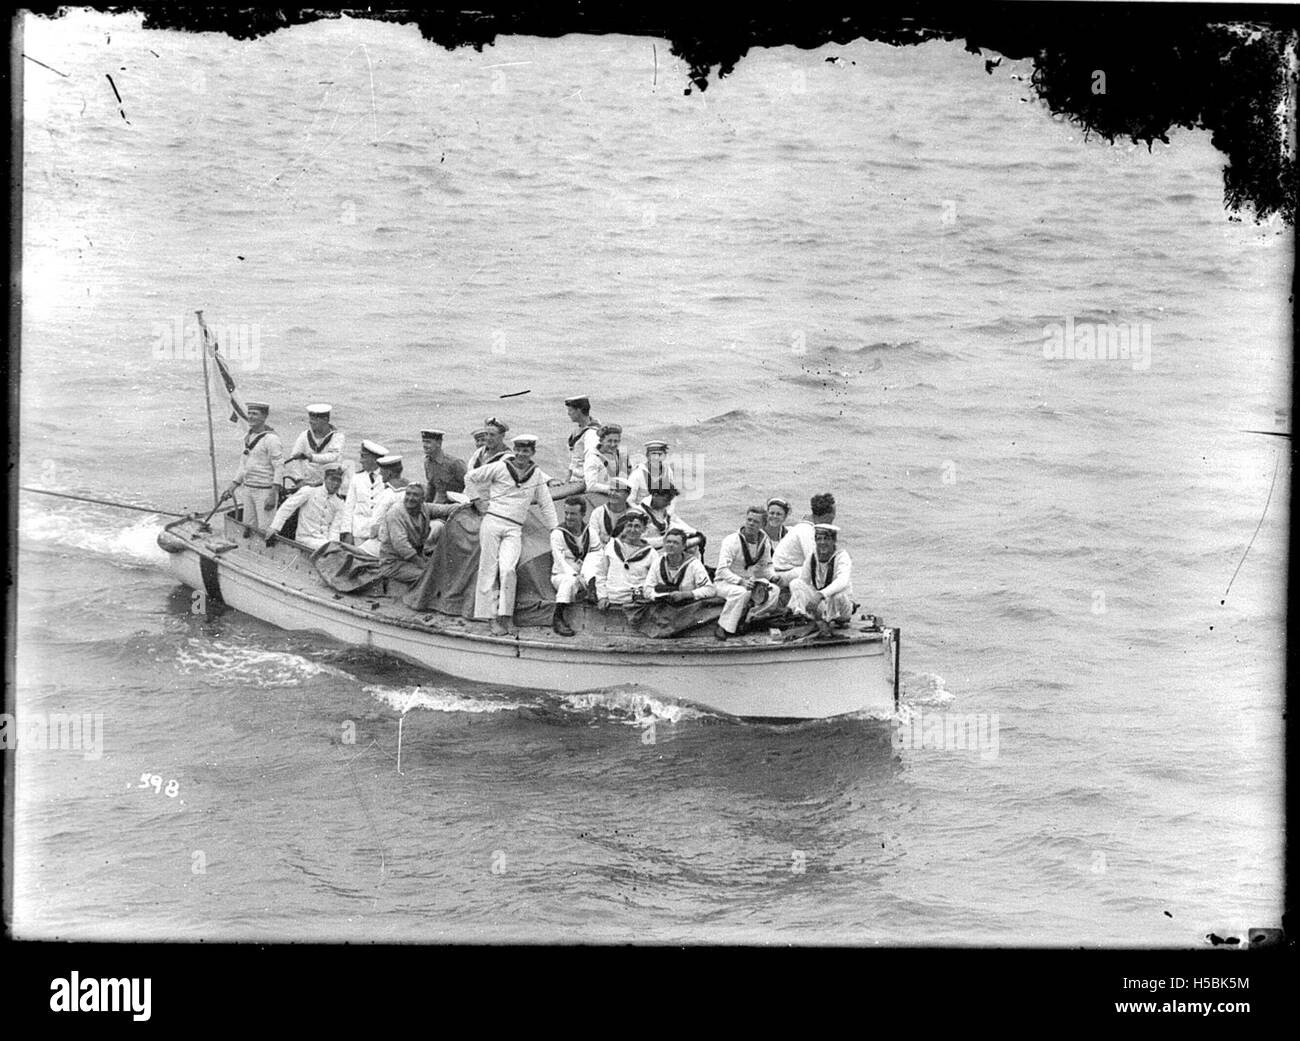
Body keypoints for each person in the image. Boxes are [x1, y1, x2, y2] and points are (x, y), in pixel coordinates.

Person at [465, 433, 559, 635]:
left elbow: (546, 504)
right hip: (492, 522)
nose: (520, 454)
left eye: (525, 451)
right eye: (518, 450)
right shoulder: (500, 466)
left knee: (508, 570)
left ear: (532, 452)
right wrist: (477, 501)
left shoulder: (536, 475)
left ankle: (505, 616)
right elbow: (470, 477)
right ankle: (490, 617)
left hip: (514, 528)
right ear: (513, 450)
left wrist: (555, 530)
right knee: (488, 569)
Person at [713, 505, 780, 640]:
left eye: (756, 522)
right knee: (741, 592)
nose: (751, 524)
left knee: (775, 590)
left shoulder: (764, 542)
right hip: (726, 582)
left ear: (762, 525)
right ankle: (723, 626)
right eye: (749, 520)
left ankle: (749, 618)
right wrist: (740, 581)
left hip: (749, 581)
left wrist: (773, 576)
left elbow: (765, 565)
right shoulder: (731, 540)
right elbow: (721, 570)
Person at [224, 400, 284, 531]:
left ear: (264, 417)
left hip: (265, 491)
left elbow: (279, 468)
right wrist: (233, 486)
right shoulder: (248, 436)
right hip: (248, 488)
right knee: (248, 527)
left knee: (264, 529)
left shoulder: (271, 439)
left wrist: (273, 494)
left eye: (255, 414)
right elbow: (243, 465)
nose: (250, 417)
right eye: (249, 413)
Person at [266, 465, 347, 550]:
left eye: (338, 481)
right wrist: (275, 527)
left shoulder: (339, 502)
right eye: (332, 479)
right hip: (305, 538)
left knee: (339, 550)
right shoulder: (309, 491)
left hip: (324, 541)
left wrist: (333, 545)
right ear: (325, 479)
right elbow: (287, 508)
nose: (335, 484)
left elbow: (335, 528)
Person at [788, 523, 854, 628]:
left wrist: (820, 595)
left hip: (841, 606)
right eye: (819, 539)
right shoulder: (813, 556)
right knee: (795, 583)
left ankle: (833, 621)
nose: (822, 542)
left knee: (837, 595)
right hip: (823, 604)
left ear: (833, 541)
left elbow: (842, 581)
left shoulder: (842, 556)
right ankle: (801, 617)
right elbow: (803, 580)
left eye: (826, 539)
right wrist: (803, 600)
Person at [376, 483, 438, 586]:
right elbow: (401, 545)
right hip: (393, 564)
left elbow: (446, 509)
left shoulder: (424, 508)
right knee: (429, 576)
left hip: (411, 560)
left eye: (415, 495)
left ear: (423, 499)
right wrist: (422, 564)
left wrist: (469, 504)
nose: (410, 498)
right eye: (408, 494)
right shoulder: (395, 512)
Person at [594, 508, 655, 609]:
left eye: (637, 526)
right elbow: (601, 574)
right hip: (611, 600)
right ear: (624, 527)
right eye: (629, 526)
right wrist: (602, 597)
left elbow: (653, 581)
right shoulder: (611, 546)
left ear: (644, 529)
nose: (632, 530)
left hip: (636, 603)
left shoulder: (651, 554)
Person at [772, 492, 836, 587]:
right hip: (781, 574)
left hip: (791, 569)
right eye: (834, 513)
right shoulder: (806, 531)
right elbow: (815, 560)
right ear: (827, 516)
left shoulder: (810, 528)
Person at [549, 497, 591, 636]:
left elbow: (596, 554)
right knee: (569, 581)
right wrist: (575, 575)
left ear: (582, 515)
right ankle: (558, 618)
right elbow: (560, 561)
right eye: (566, 513)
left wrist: (586, 573)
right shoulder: (558, 533)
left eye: (573, 514)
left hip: (583, 574)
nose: (568, 517)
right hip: (561, 576)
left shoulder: (589, 532)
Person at [642, 529, 714, 605]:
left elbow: (710, 590)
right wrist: (659, 596)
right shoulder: (657, 562)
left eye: (675, 543)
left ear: (683, 546)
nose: (671, 545)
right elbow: (647, 590)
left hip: (688, 607)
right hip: (662, 607)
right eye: (668, 542)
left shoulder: (694, 564)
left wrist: (686, 594)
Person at [340, 439, 389, 550]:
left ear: (374, 459)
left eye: (364, 457)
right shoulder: (357, 478)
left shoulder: (386, 478)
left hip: (379, 533)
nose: (361, 461)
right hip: (359, 532)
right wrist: (347, 532)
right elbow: (349, 507)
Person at [285, 404, 346, 491]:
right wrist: (299, 480)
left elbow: (332, 457)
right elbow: (295, 459)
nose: (311, 422)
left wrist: (311, 457)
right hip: (306, 483)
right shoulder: (304, 435)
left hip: (328, 484)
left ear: (325, 420)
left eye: (315, 419)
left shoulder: (337, 437)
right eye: (310, 418)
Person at [638, 485, 700, 554]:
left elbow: (674, 522)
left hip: (663, 546)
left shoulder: (663, 509)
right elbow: (639, 541)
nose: (669, 503)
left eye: (670, 500)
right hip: (648, 552)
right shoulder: (639, 513)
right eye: (666, 500)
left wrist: (694, 533)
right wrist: (666, 540)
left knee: (692, 546)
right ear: (655, 495)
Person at [583, 423, 631, 497]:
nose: (612, 444)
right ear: (601, 441)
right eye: (609, 441)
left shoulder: (622, 456)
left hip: (620, 496)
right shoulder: (593, 458)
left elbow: (629, 477)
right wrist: (614, 489)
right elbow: (591, 486)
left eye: (616, 441)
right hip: (598, 497)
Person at [421, 428, 467, 504]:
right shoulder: (427, 463)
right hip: (438, 505)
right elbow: (431, 487)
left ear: (439, 443)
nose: (424, 445)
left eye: (428, 442)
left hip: (455, 505)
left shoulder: (454, 463)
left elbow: (469, 484)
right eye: (423, 442)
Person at [564, 395, 602, 484]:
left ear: (579, 410)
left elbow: (592, 461)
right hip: (574, 479)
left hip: (582, 481)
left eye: (570, 410)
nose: (568, 413)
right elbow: (574, 460)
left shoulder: (591, 434)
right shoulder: (579, 430)